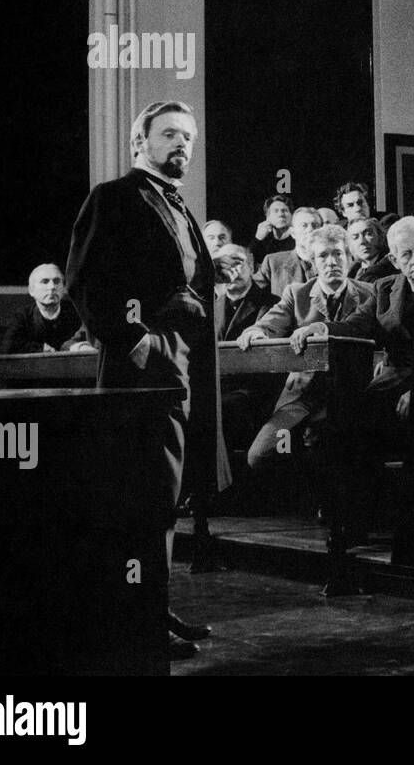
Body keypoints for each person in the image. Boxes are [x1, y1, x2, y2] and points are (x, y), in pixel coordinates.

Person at [65, 100, 239, 661]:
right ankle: (134, 620)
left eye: (187, 137)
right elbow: (84, 280)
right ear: (140, 142)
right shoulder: (114, 196)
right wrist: (135, 342)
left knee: (165, 499)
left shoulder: (179, 203)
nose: (181, 145)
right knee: (139, 497)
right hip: (144, 372)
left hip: (186, 369)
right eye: (169, 135)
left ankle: (153, 604)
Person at [309, 216, 414, 586]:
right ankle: (347, 532)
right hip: (390, 391)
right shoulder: (386, 289)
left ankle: (412, 552)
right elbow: (354, 326)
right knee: (336, 427)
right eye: (406, 254)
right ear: (392, 259)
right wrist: (321, 327)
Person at [235, 225, 375, 473]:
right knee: (260, 455)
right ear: (312, 263)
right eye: (322, 255)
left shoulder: (370, 293)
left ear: (349, 258)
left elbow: (371, 334)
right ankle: (310, 486)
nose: (331, 261)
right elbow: (269, 325)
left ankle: (330, 499)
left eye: (338, 254)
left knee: (337, 447)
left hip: (353, 393)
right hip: (304, 394)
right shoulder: (296, 293)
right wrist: (256, 332)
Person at [1, 263, 90, 353]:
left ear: (63, 288)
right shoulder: (22, 317)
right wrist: (40, 348)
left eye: (56, 281)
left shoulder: (77, 312)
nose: (52, 287)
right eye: (45, 281)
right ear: (31, 290)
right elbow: (9, 347)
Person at [253, 207, 321, 301]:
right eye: (304, 225)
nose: (310, 230)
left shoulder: (334, 261)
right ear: (293, 232)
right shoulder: (273, 262)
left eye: (315, 225)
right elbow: (250, 293)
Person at [346, 217, 395, 284]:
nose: (362, 241)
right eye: (355, 237)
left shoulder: (391, 270)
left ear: (380, 236)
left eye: (368, 234)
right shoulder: (351, 272)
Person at [252, 195, 295, 265]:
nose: (281, 214)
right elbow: (248, 263)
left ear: (292, 216)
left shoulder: (298, 238)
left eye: (285, 210)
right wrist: (257, 239)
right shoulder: (264, 240)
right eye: (276, 211)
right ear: (267, 217)